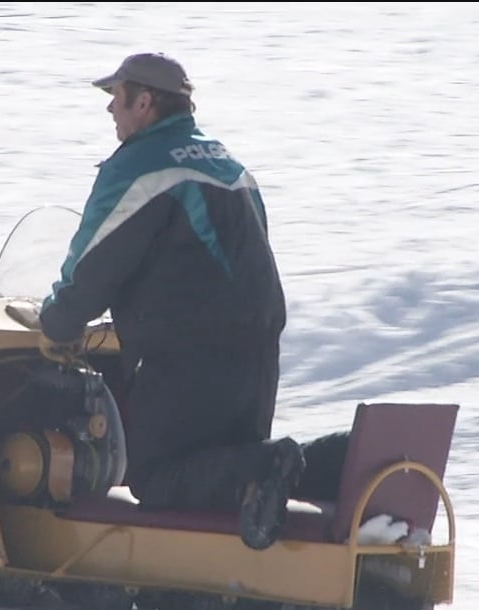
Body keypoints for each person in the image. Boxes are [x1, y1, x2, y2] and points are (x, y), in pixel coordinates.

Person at [34, 52, 306, 551]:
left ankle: (270, 464)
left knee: (157, 478)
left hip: (191, 353)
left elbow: (95, 260)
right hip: (259, 344)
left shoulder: (140, 166)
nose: (110, 111)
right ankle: (322, 463)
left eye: (116, 98)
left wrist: (59, 320)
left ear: (145, 101)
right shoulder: (227, 162)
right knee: (227, 463)